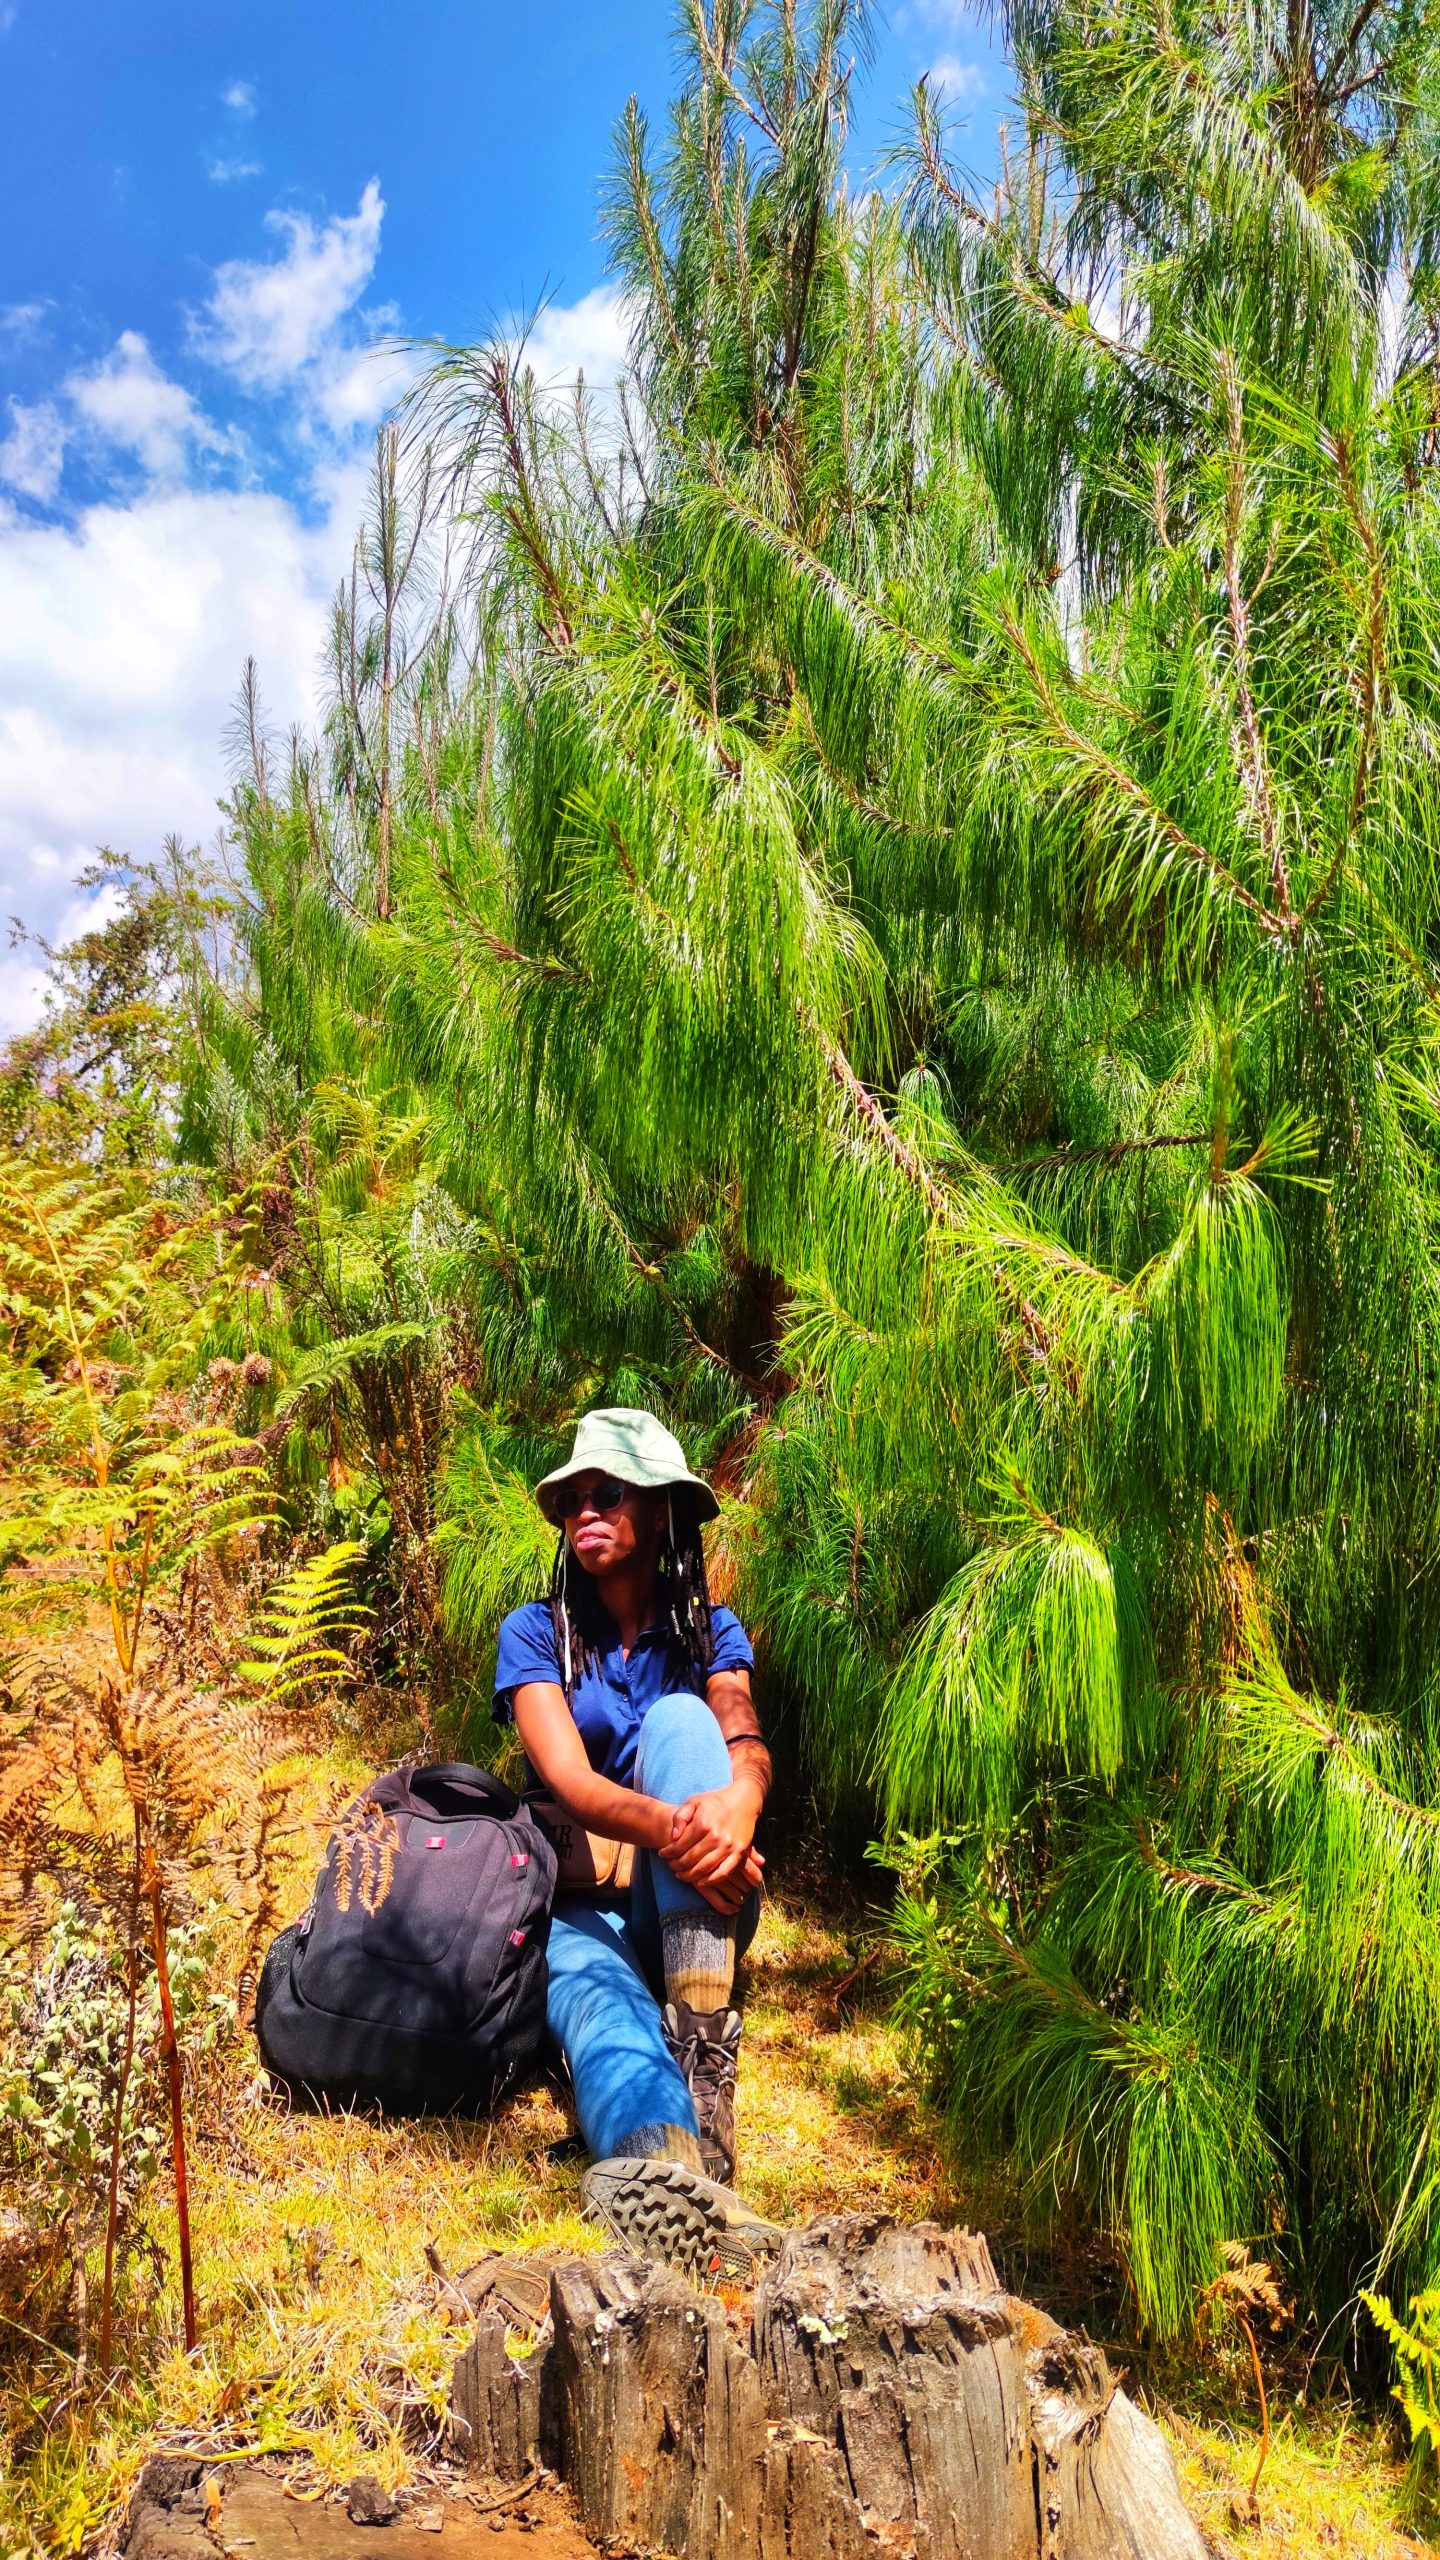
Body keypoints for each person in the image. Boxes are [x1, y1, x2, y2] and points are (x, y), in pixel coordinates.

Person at [494, 1406, 785, 2283]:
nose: (586, 1509)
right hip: (582, 1909)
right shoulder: (536, 1633)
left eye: (609, 1492)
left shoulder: (710, 1630)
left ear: (661, 1511)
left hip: (693, 1901)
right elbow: (570, 1782)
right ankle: (667, 2169)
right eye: (573, 1498)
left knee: (683, 1719)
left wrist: (741, 1804)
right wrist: (688, 1829)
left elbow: (743, 1737)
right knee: (605, 2018)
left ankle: (704, 2050)